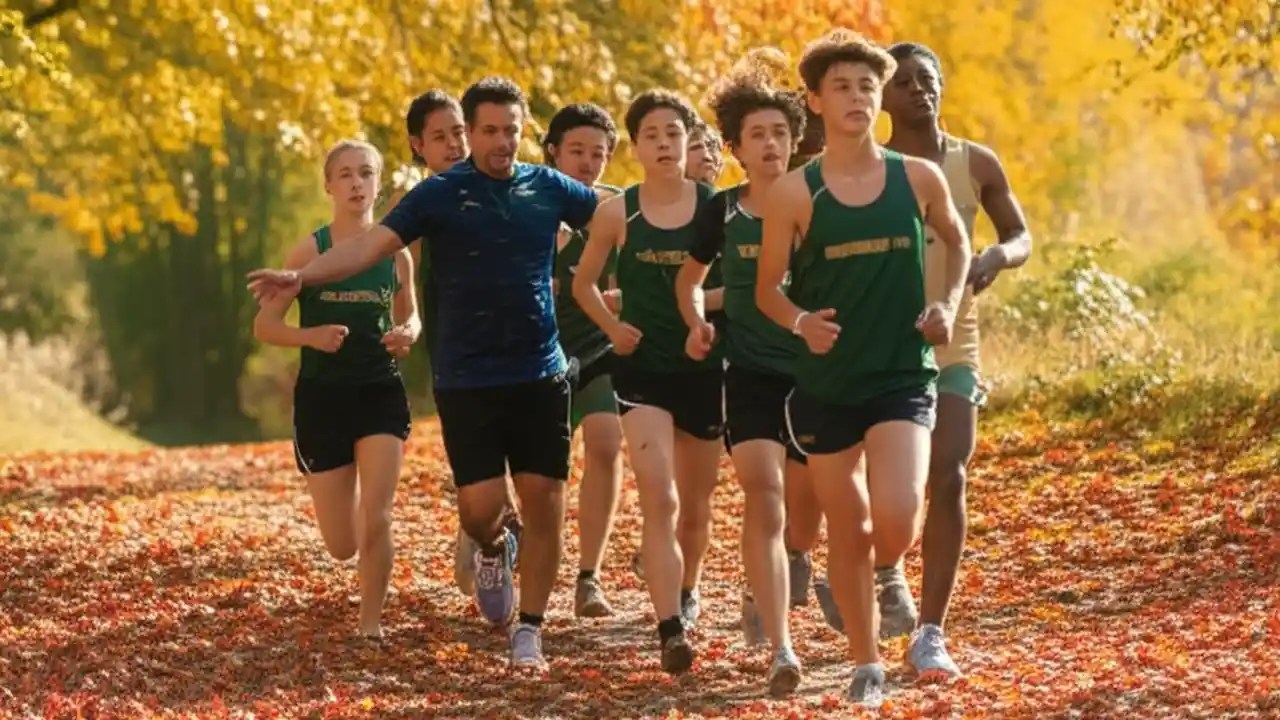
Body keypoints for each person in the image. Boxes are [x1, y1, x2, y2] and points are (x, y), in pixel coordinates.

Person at [248, 76, 598, 669]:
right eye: (488, 130)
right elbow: (369, 248)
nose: (501, 142)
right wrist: (303, 279)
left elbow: (617, 219)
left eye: (512, 130)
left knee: (547, 502)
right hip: (467, 379)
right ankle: (492, 545)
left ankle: (530, 630)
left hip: (540, 371)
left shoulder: (549, 187)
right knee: (479, 511)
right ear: (472, 129)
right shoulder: (439, 194)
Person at [755, 30, 972, 705]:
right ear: (816, 101)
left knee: (899, 511)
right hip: (826, 384)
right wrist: (800, 323)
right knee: (846, 524)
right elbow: (766, 290)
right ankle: (865, 664)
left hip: (901, 373)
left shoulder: (917, 178)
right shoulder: (795, 192)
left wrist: (943, 301)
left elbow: (960, 242)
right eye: (842, 86)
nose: (857, 96)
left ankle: (888, 571)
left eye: (867, 86)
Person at [879, 40, 1033, 677]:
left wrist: (998, 256)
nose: (921, 89)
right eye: (906, 82)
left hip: (953, 338)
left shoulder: (976, 162)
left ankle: (932, 632)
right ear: (883, 97)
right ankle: (887, 568)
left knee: (950, 472)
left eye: (929, 79)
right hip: (877, 343)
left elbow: (1020, 234)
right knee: (891, 489)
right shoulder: (869, 167)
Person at [573, 89, 723, 674]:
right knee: (659, 497)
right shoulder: (618, 213)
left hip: (703, 369)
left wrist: (698, 317)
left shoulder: (716, 209)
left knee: (696, 506)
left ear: (689, 143)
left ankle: (687, 593)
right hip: (641, 373)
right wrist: (614, 327)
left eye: (673, 134)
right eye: (652, 136)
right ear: (636, 148)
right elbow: (584, 283)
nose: (664, 144)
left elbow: (739, 288)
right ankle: (669, 629)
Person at [674, 54, 807, 696]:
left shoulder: (823, 201)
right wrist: (699, 323)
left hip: (817, 375)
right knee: (765, 494)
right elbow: (690, 279)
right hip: (749, 371)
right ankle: (783, 648)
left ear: (796, 139)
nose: (771, 143)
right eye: (757, 134)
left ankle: (777, 578)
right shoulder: (722, 212)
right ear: (735, 148)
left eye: (780, 132)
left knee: (808, 515)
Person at [252, 139, 419, 641]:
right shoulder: (312, 250)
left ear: (377, 184)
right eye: (344, 174)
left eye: (365, 173)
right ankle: (350, 529)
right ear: (328, 186)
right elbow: (266, 326)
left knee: (380, 514)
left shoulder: (395, 252)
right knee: (342, 544)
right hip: (323, 399)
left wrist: (407, 333)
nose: (355, 183)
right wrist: (312, 338)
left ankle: (371, 626)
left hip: (379, 391)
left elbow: (410, 311)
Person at [398, 89, 523, 601]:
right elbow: (398, 280)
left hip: (517, 341)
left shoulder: (506, 187)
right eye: (439, 137)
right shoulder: (415, 209)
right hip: (454, 351)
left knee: (516, 451)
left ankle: (492, 538)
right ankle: (482, 533)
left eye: (457, 133)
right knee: (477, 458)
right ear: (416, 144)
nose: (452, 145)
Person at [543, 102, 626, 618]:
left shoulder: (616, 212)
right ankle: (502, 540)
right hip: (535, 356)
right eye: (577, 151)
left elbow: (627, 286)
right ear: (553, 151)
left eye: (599, 154)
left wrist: (616, 302)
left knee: (606, 443)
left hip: (598, 348)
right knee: (545, 473)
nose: (588, 163)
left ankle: (589, 576)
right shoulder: (525, 205)